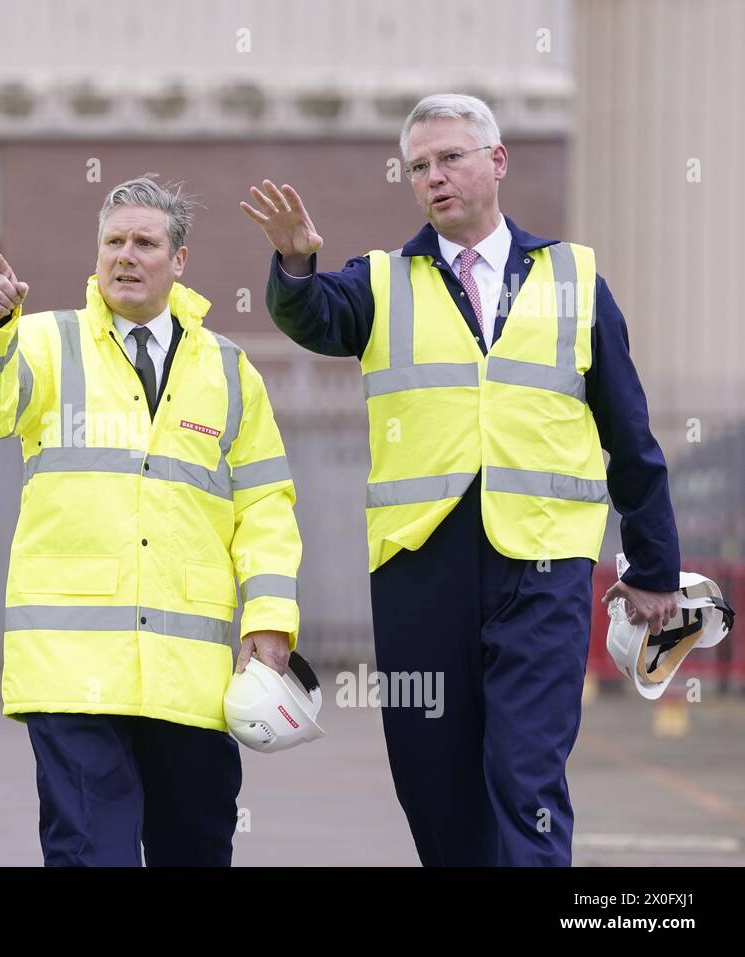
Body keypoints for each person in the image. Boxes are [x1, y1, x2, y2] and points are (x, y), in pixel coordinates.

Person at [243, 93, 680, 866]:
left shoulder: (573, 279)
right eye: (418, 166)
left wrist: (654, 569)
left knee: (526, 772)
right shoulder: (379, 281)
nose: (434, 177)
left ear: (497, 161)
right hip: (421, 570)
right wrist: (296, 263)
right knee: (432, 781)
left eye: (450, 158)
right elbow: (311, 316)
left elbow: (631, 437)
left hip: (542, 570)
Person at [0, 174, 302, 866]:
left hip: (188, 678)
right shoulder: (46, 343)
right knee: (92, 851)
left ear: (180, 260)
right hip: (71, 668)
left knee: (195, 845)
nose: (125, 256)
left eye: (145, 242)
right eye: (113, 241)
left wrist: (268, 618)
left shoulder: (228, 371)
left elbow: (266, 505)